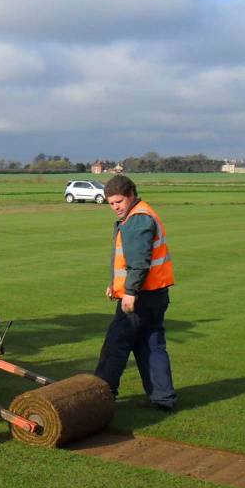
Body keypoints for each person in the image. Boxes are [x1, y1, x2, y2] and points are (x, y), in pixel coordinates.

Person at [95, 174, 178, 411]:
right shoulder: (142, 213)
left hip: (140, 296)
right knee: (151, 344)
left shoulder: (138, 219)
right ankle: (164, 398)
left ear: (131, 195)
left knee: (115, 344)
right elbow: (128, 260)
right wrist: (115, 284)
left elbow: (139, 262)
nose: (115, 208)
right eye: (111, 203)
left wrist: (129, 292)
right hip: (156, 293)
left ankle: (100, 394)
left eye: (119, 202)